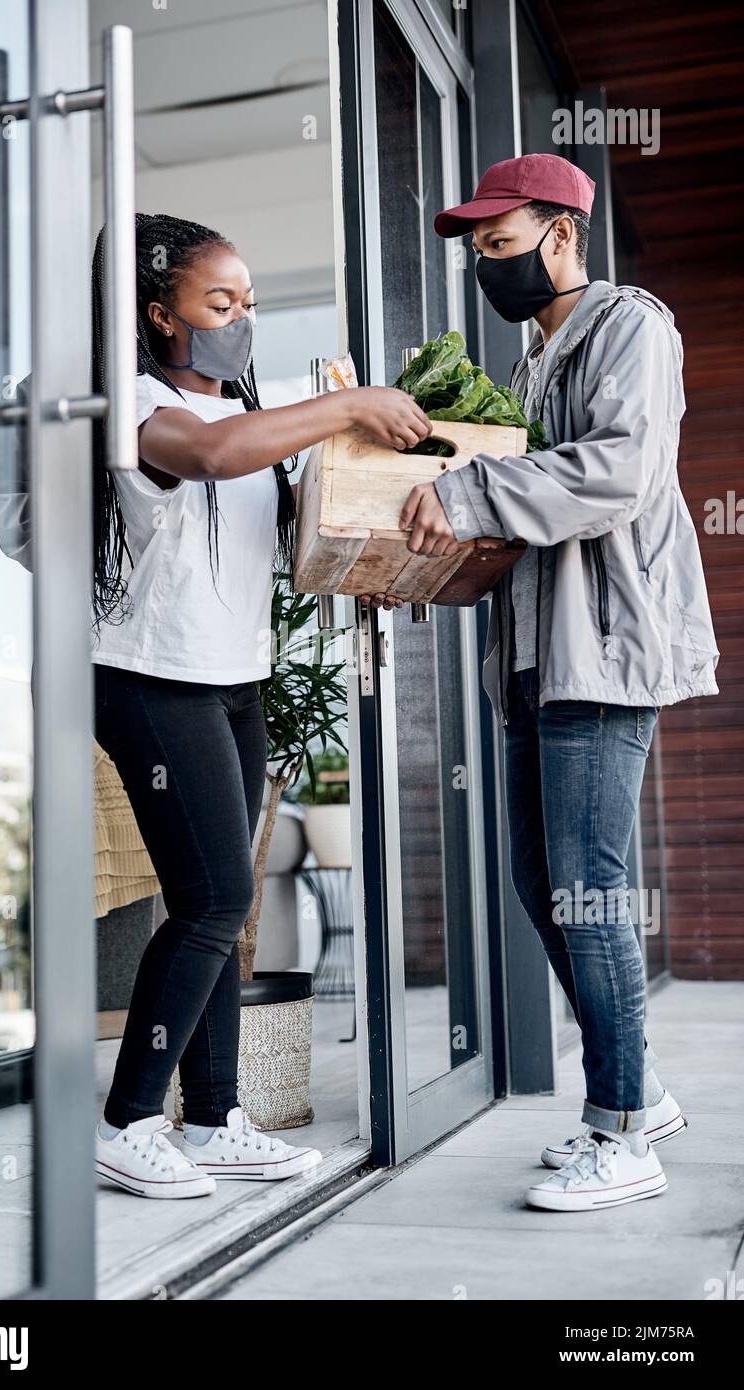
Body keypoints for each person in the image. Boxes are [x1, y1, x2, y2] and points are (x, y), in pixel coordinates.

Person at [400, 153, 718, 1212]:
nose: (490, 268)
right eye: (480, 252)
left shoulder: (633, 324)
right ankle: (644, 1092)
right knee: (547, 885)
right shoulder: (535, 369)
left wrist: (471, 487)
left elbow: (620, 471)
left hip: (606, 645)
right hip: (534, 658)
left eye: (503, 244)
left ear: (565, 235)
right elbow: (508, 522)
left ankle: (621, 1127)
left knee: (592, 891)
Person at [92, 212, 431, 1198]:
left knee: (220, 905)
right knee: (214, 902)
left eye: (248, 302)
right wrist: (350, 403)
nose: (242, 320)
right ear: (161, 315)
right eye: (218, 303)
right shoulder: (144, 410)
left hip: (231, 681)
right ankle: (126, 1121)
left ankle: (215, 1118)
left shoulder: (249, 424)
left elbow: (291, 534)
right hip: (154, 684)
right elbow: (211, 455)